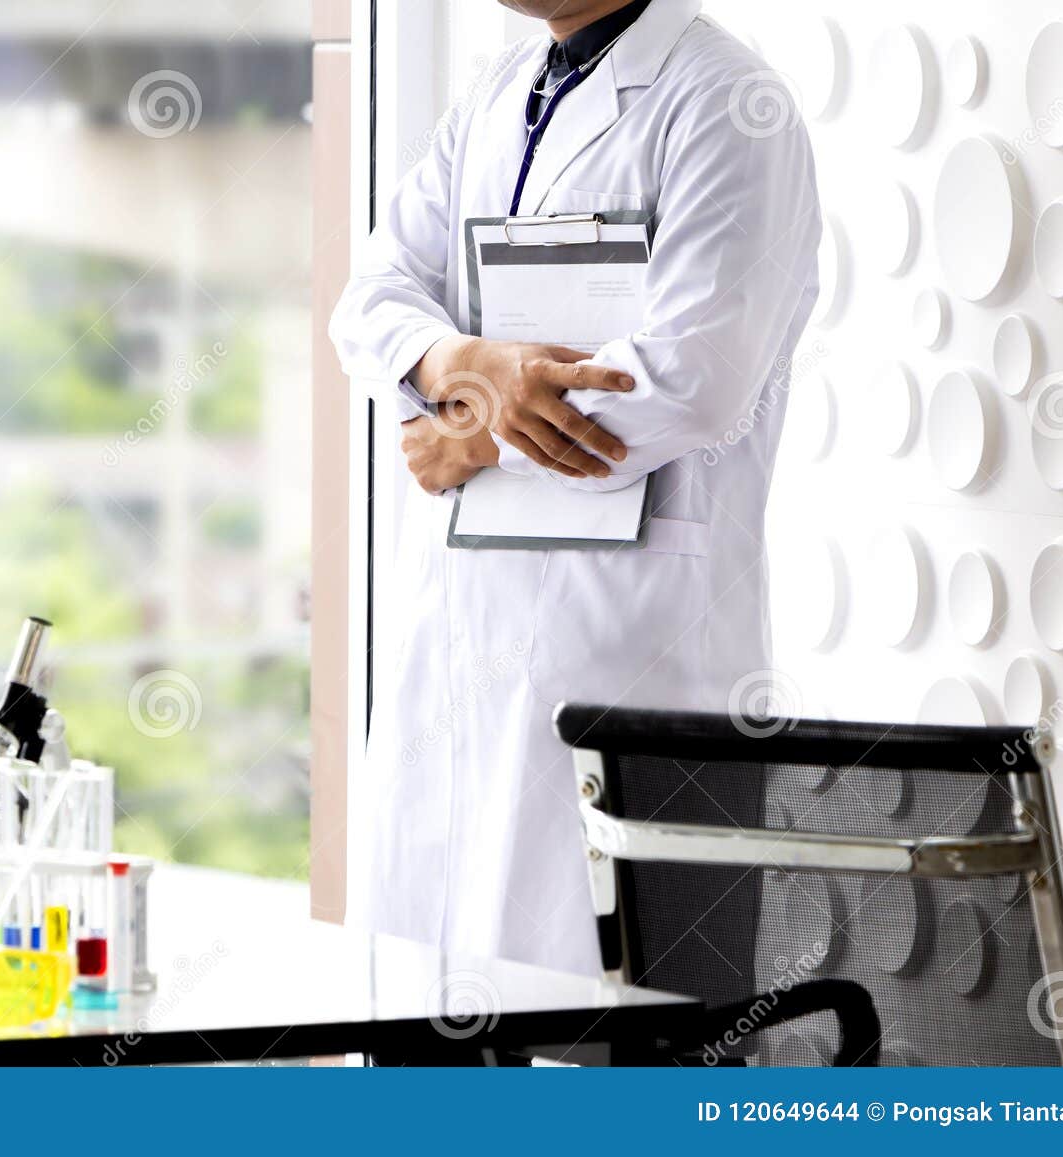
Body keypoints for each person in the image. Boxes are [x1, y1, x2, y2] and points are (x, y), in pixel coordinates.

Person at [328, 0, 821, 974]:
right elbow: (372, 295)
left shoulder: (726, 101)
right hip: (463, 634)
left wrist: (470, 433)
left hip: (631, 647)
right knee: (426, 1024)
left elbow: (691, 376)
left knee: (614, 1040)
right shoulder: (495, 94)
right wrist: (455, 358)